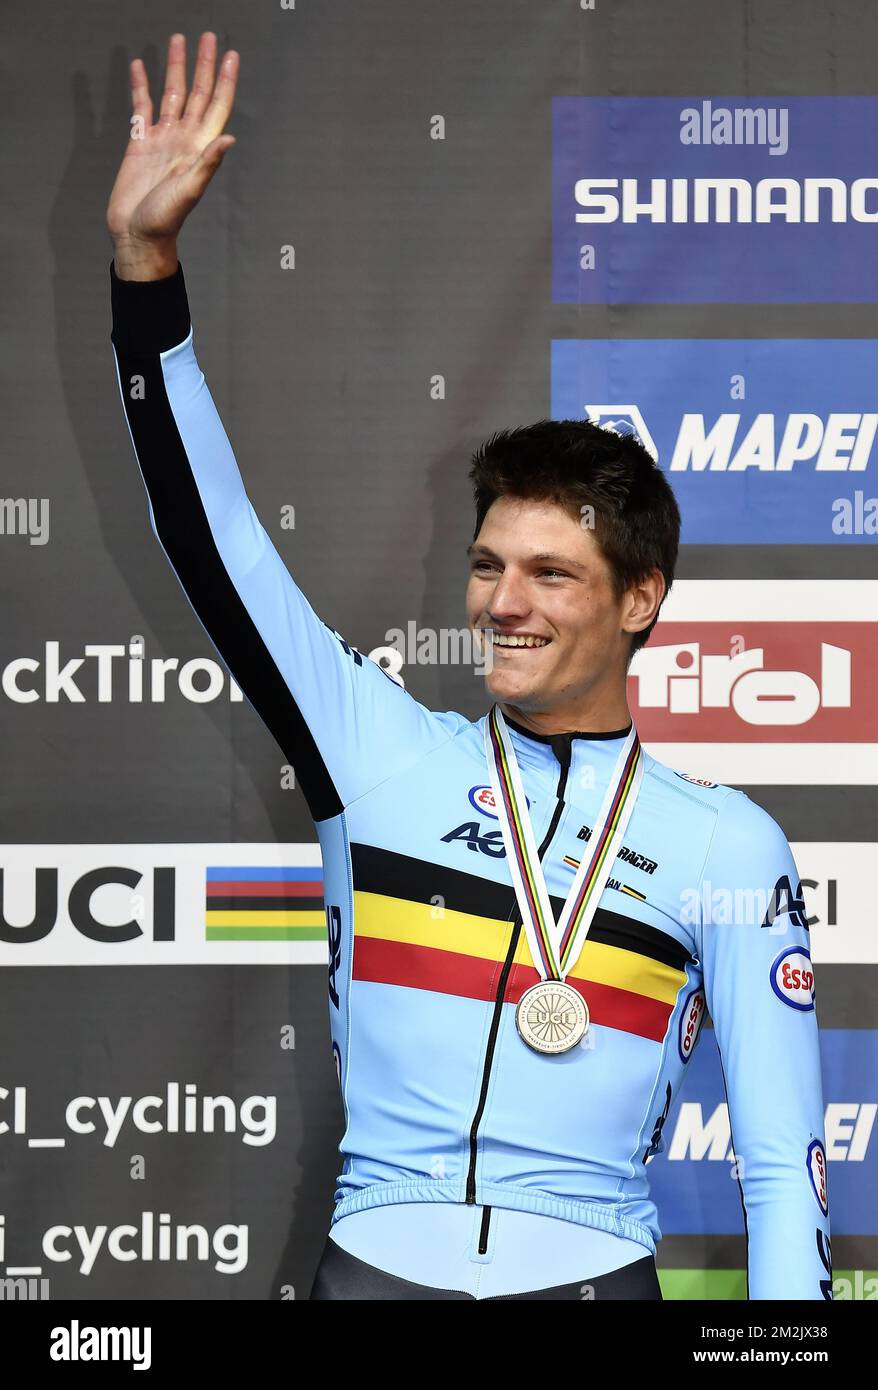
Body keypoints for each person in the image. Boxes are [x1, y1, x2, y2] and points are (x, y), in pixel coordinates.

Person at [106, 31, 831, 1301]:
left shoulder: (727, 845)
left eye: (550, 575)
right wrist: (146, 275)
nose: (503, 602)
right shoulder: (376, 753)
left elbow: (779, 1173)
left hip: (595, 1273)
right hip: (376, 1260)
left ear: (641, 600)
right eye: (490, 565)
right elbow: (209, 540)